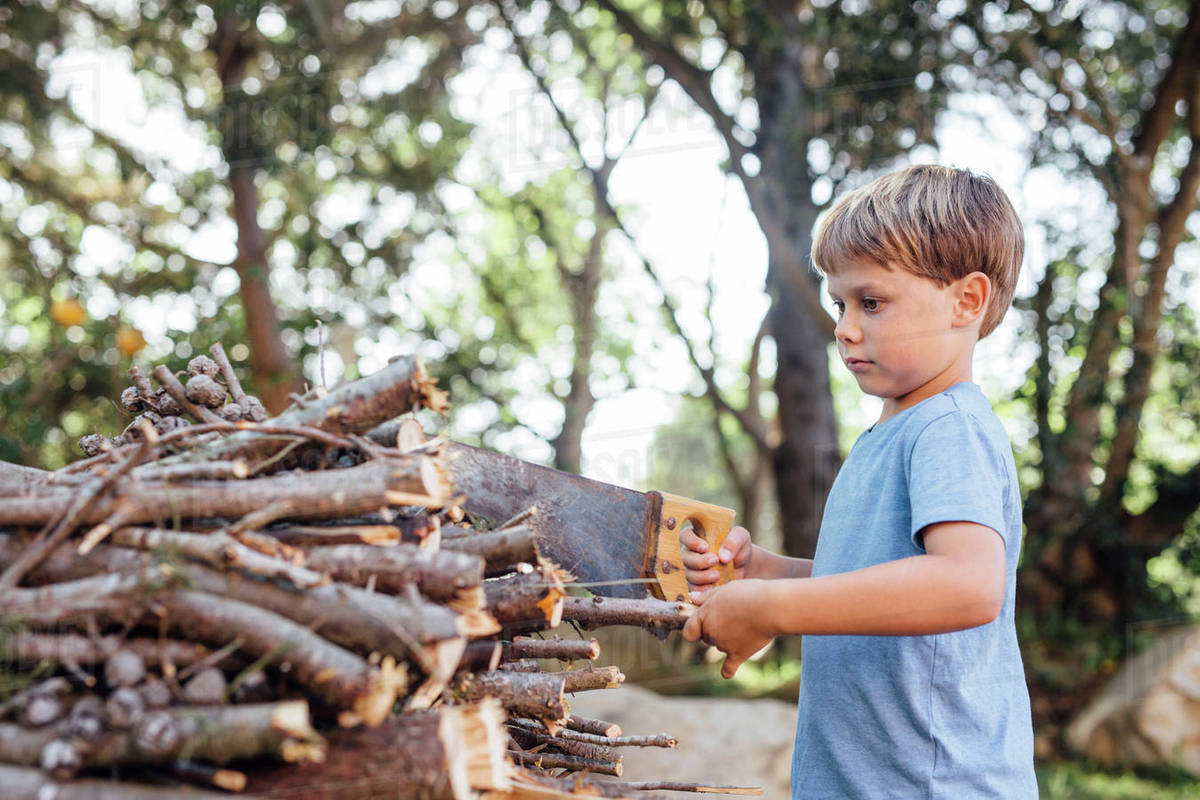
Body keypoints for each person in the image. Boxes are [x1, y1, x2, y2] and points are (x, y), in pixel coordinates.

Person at [680, 164, 1037, 798]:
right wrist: (767, 572)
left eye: (871, 302)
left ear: (967, 301)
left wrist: (772, 609)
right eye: (840, 304)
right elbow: (874, 577)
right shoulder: (888, 436)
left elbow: (967, 584)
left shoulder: (949, 428)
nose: (845, 327)